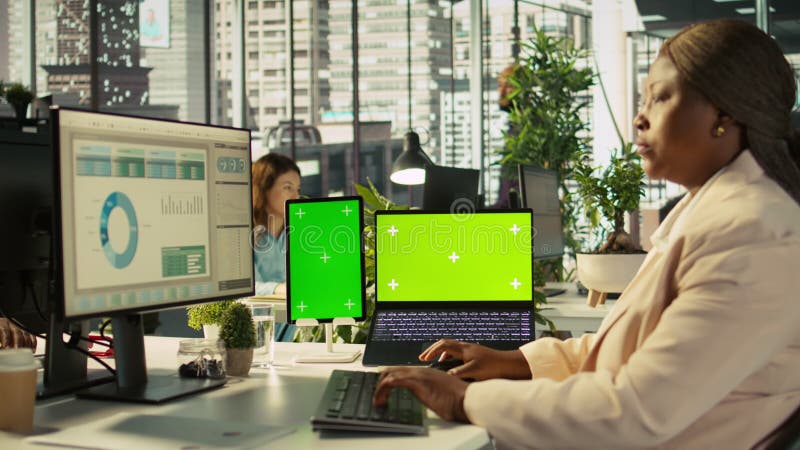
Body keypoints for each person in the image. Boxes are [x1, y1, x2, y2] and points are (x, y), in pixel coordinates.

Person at [374, 19, 800, 449]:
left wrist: (464, 398)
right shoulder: (718, 214)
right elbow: (633, 349)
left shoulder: (753, 234)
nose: (639, 117)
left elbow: (633, 410)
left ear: (724, 114)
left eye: (660, 97)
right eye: (642, 99)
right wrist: (512, 360)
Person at [252, 153, 301, 296]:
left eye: (297, 189)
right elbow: (247, 289)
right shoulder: (247, 235)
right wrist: (281, 289)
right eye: (287, 188)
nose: (295, 196)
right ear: (264, 188)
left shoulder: (298, 233)